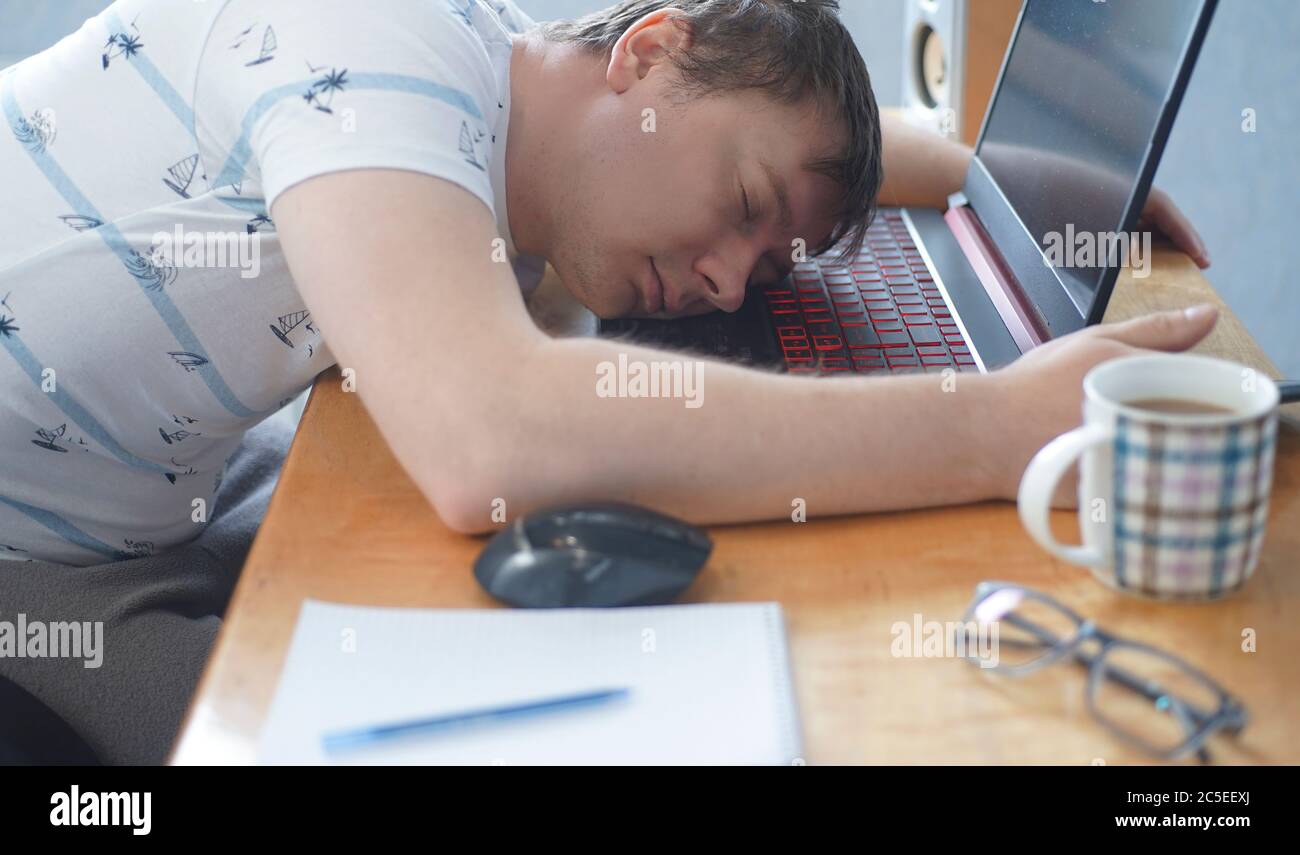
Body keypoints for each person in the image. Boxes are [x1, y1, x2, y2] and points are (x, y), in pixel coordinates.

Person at [0, 0, 1214, 761]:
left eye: (769, 255)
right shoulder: (368, 44)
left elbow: (803, 141)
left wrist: (1034, 187)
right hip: (33, 560)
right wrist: (1000, 424)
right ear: (646, 51)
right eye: (741, 211)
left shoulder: (497, 77)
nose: (732, 285)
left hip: (158, 491)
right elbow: (489, 439)